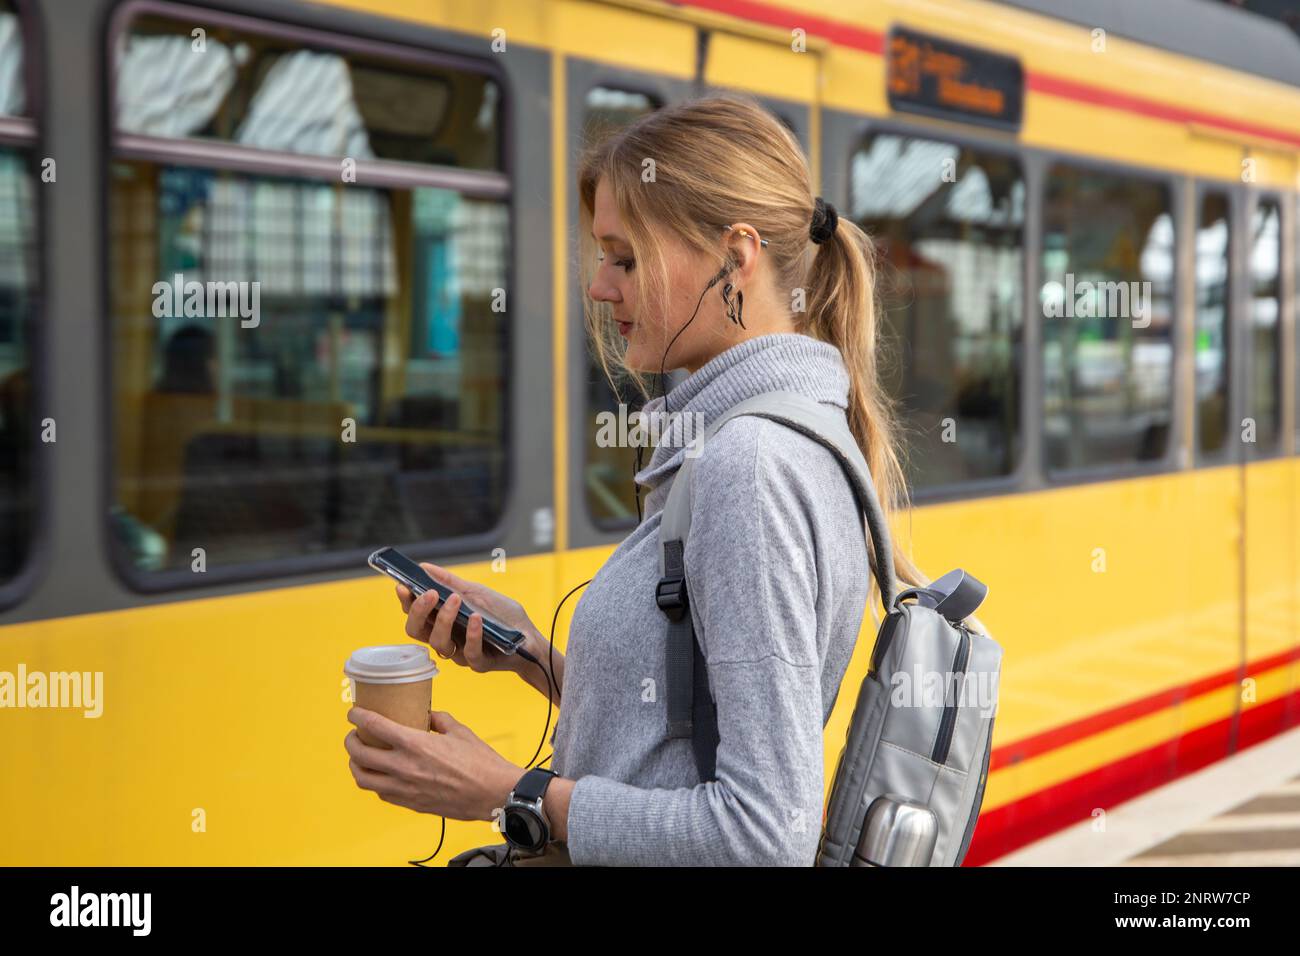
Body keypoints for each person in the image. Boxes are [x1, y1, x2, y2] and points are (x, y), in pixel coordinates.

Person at [344, 93, 930, 866]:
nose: (599, 287)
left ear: (736, 255)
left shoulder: (747, 466)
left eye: (625, 258)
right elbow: (691, 727)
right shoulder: (776, 435)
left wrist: (502, 791)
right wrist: (528, 651)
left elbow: (763, 837)